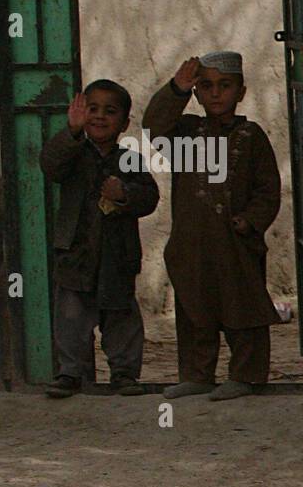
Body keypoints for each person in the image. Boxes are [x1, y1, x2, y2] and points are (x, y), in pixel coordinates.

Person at [142, 52, 281, 400]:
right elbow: (154, 127)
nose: (216, 94)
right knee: (194, 309)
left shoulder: (251, 136)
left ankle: (247, 376)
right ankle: (197, 375)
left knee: (243, 308)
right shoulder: (186, 134)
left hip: (236, 242)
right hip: (192, 242)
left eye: (225, 85)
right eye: (206, 86)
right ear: (197, 93)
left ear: (241, 91)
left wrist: (250, 221)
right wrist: (177, 88)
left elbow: (268, 190)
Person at [40, 81, 159, 398]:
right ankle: (70, 373)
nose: (100, 117)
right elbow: (50, 165)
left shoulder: (129, 159)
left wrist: (125, 194)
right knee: (71, 317)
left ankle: (124, 374)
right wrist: (72, 133)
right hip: (76, 254)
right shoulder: (73, 153)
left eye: (110, 111)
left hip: (117, 256)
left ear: (124, 122)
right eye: (92, 109)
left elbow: (150, 198)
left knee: (121, 316)